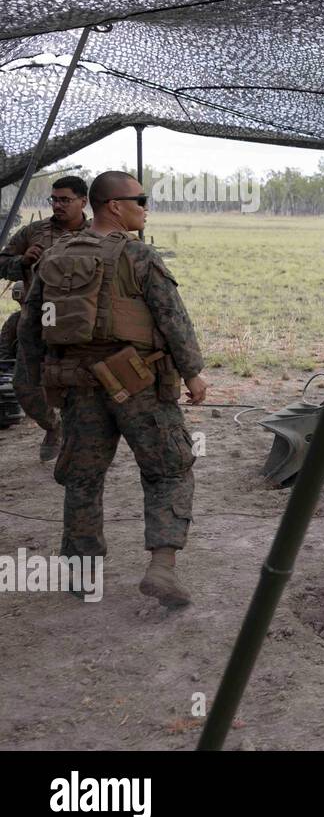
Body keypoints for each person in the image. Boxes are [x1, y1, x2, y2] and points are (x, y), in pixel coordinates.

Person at [18, 171, 208, 607]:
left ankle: (83, 574)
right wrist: (193, 373)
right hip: (136, 382)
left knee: (83, 479)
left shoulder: (54, 256)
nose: (145, 207)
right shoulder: (138, 256)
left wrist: (38, 390)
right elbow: (172, 319)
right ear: (114, 207)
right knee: (169, 469)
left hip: (76, 386)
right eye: (139, 199)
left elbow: (29, 331)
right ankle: (161, 567)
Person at [0, 175, 89, 459]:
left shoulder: (97, 235)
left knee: (79, 388)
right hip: (36, 322)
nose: (58, 205)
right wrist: (22, 261)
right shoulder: (33, 232)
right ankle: (53, 426)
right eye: (54, 199)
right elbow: (2, 264)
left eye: (65, 200)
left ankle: (82, 447)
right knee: (25, 387)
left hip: (81, 325)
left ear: (83, 201)